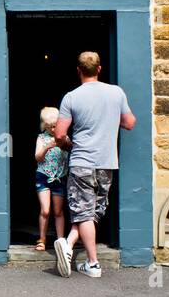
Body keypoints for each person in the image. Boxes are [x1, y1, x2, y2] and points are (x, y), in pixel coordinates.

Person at [52, 50, 135, 278]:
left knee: (84, 213)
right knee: (91, 211)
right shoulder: (116, 93)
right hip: (106, 162)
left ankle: (93, 263)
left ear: (78, 71)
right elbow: (130, 123)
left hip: (81, 162)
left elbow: (59, 135)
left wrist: (69, 145)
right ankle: (69, 244)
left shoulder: (71, 97)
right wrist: (108, 118)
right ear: (99, 69)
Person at [33, 106, 68, 251]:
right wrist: (47, 146)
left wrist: (64, 143)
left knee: (58, 211)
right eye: (50, 127)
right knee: (45, 210)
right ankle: (42, 239)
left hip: (60, 178)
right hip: (43, 176)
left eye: (55, 126)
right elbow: (37, 158)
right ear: (44, 126)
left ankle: (61, 241)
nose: (53, 129)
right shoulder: (41, 138)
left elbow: (71, 150)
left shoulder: (64, 137)